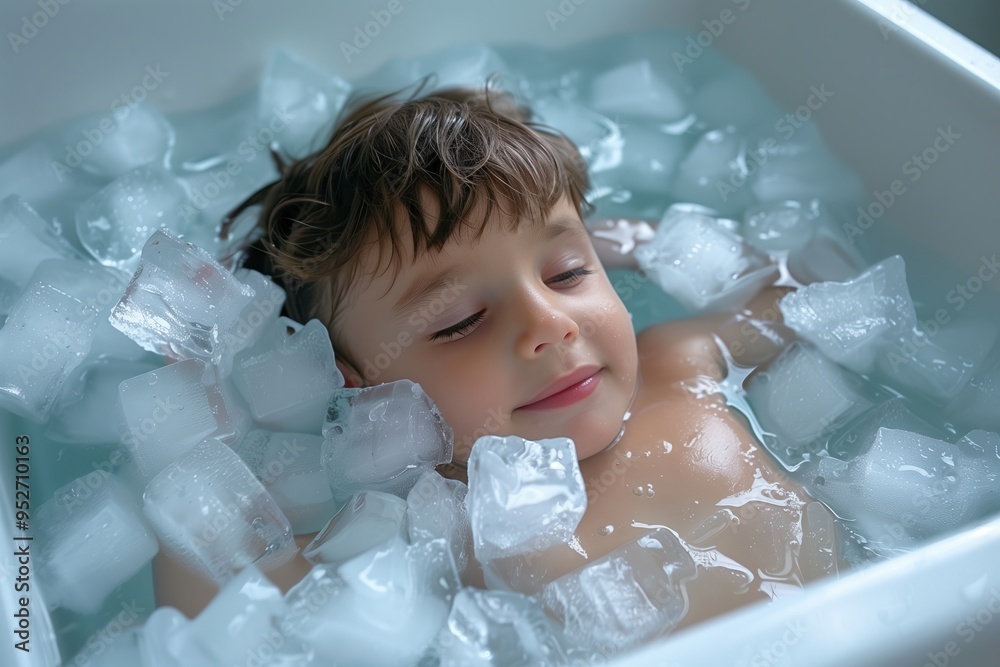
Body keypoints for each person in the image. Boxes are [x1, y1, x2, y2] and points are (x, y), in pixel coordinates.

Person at [153, 84, 840, 628]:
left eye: (568, 270)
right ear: (361, 391)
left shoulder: (678, 363)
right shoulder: (433, 530)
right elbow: (209, 593)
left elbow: (812, 298)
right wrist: (218, 367)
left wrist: (654, 245)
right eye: (460, 321)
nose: (550, 325)